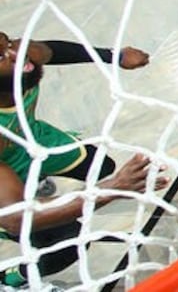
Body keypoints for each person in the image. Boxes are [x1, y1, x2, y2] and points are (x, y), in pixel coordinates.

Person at [0, 32, 164, 288]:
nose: (15, 53)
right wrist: (112, 189)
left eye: (7, 42)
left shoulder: (24, 54)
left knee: (102, 166)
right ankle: (13, 276)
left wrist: (115, 56)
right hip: (6, 183)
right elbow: (15, 216)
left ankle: (39, 178)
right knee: (73, 243)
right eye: (1, 55)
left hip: (32, 139)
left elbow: (53, 50)